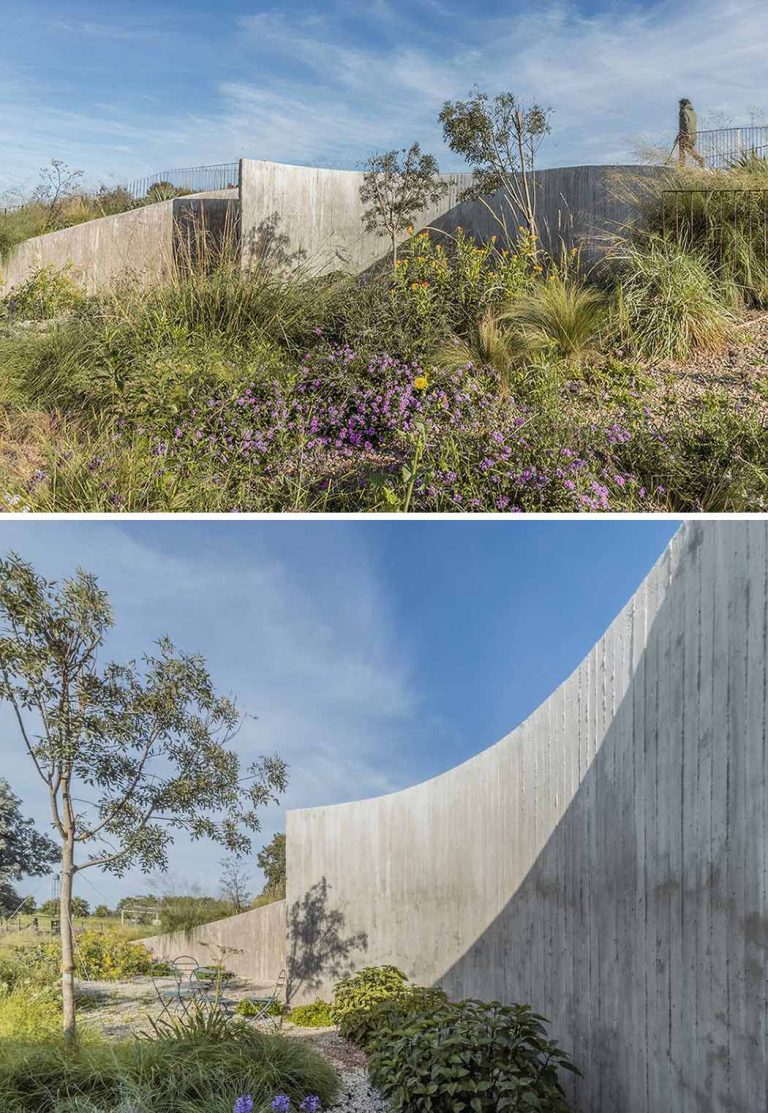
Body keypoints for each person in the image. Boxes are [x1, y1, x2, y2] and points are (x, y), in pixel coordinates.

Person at [676, 98, 705, 166]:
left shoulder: (683, 111)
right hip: (693, 134)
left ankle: (681, 164)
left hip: (685, 133)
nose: (679, 106)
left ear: (683, 104)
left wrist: (683, 133)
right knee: (690, 149)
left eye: (680, 105)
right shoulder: (693, 113)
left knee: (682, 149)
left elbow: (685, 123)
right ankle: (700, 159)